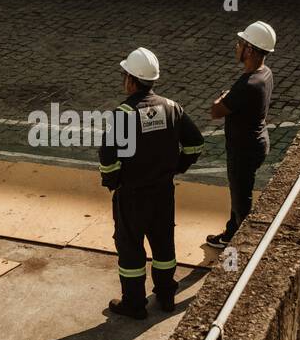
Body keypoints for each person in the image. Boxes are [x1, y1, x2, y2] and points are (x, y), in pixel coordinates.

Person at [98, 47, 204, 320]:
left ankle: (134, 304)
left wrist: (114, 182)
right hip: (163, 191)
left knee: (131, 248)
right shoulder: (172, 108)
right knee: (164, 244)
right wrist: (178, 166)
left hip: (132, 195)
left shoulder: (123, 114)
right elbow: (196, 143)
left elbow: (108, 159)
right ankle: (166, 295)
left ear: (132, 80)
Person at [206, 21, 276, 249]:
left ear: (250, 50)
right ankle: (230, 233)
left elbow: (216, 111)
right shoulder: (264, 73)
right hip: (257, 142)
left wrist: (223, 98)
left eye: (240, 43)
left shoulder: (249, 83)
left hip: (243, 149)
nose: (236, 47)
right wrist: (230, 96)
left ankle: (244, 246)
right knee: (239, 190)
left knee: (241, 199)